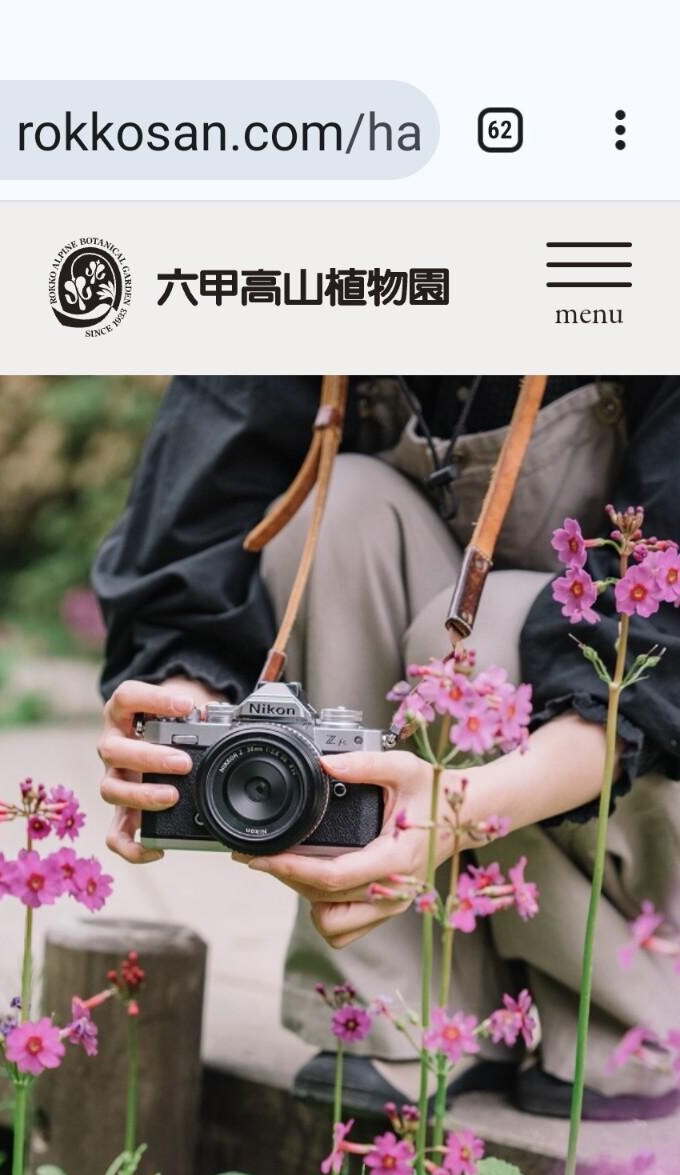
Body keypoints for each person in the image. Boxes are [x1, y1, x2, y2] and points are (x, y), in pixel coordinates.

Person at [93, 376, 680, 1120]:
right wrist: (183, 710)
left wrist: (462, 810)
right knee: (339, 511)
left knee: (473, 639)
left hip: (637, 790)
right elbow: (198, 514)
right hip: (449, 772)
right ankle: (405, 1007)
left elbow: (666, 651)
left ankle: (624, 1011)